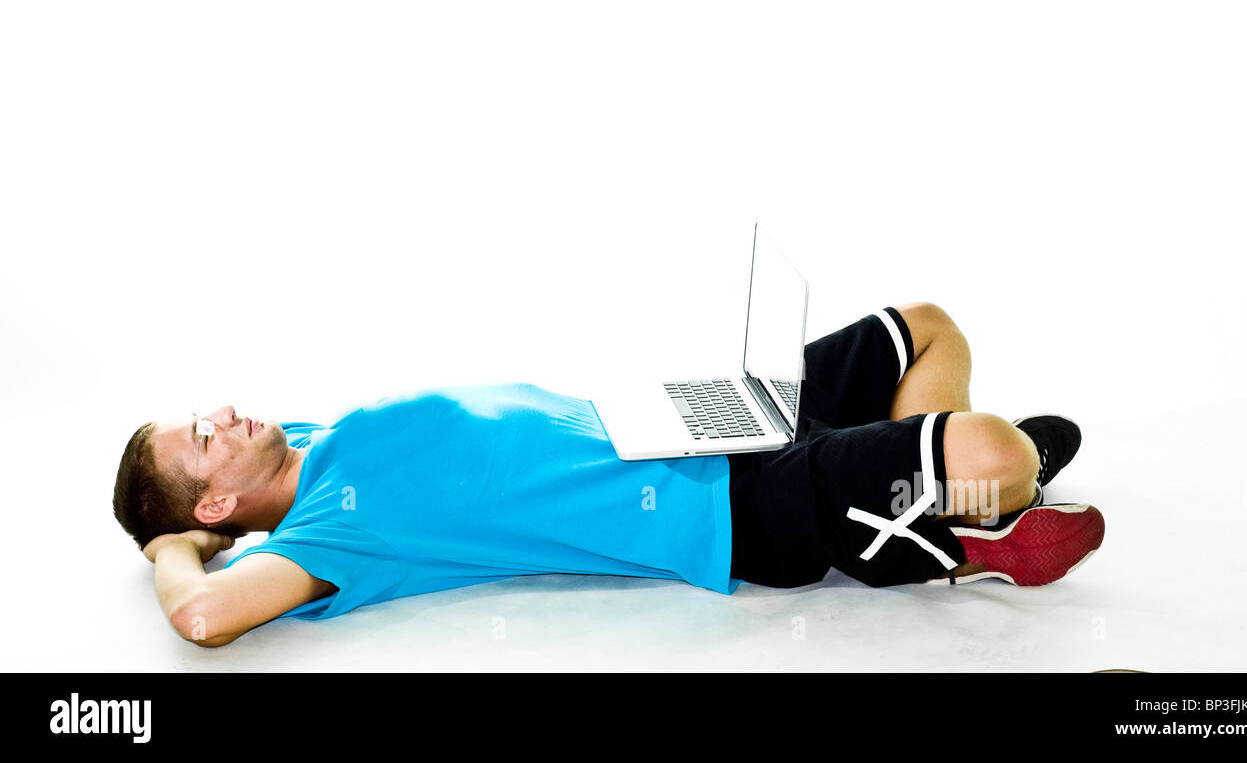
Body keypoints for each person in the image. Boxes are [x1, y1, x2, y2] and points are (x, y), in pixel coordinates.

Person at [113, 302, 1104, 647]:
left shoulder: (307, 433)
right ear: (214, 502)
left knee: (926, 323)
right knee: (998, 450)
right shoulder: (327, 530)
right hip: (731, 507)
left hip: (705, 414)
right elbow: (202, 615)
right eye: (202, 438)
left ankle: (926, 503)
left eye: (204, 411)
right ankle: (960, 511)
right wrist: (172, 547)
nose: (224, 414)